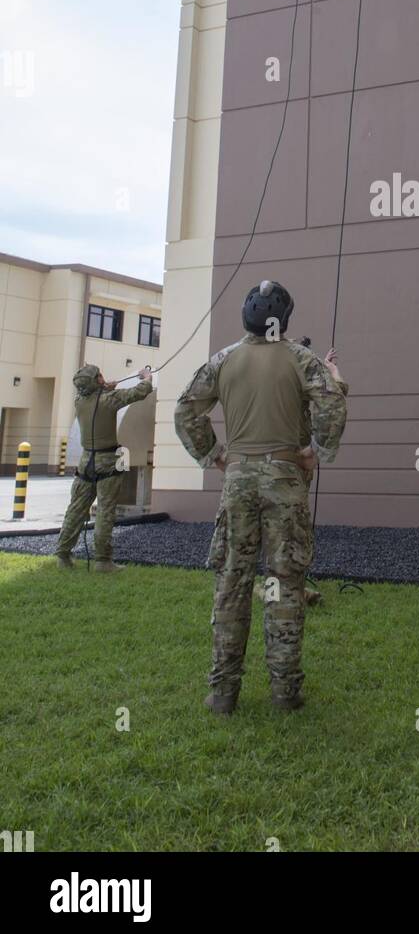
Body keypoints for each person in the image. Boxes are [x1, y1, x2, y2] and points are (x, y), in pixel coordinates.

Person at [174, 281, 348, 715]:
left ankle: (222, 693)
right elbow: (332, 402)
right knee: (285, 582)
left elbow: (185, 410)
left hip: (237, 483)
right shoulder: (301, 359)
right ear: (283, 319)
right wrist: (317, 453)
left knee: (232, 581)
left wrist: (214, 454)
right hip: (285, 480)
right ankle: (285, 693)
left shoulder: (223, 360)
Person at [55, 364, 154, 573]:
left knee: (76, 510)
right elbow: (141, 392)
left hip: (86, 461)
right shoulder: (110, 399)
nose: (103, 375)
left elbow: (96, 399)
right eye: (99, 375)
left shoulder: (79, 401)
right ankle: (103, 560)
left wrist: (105, 387)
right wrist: (146, 378)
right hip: (108, 460)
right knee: (105, 510)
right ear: (97, 380)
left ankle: (63, 554)